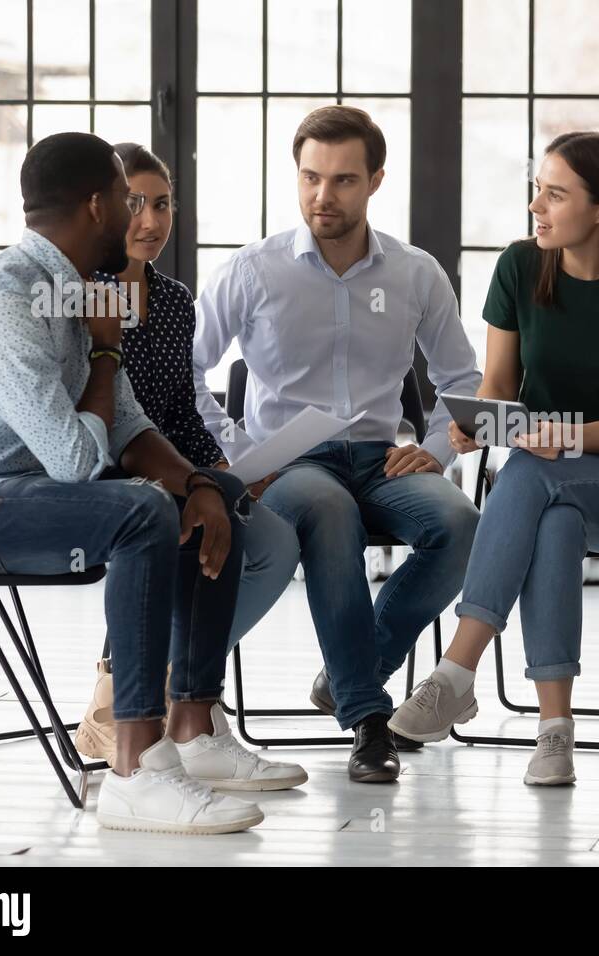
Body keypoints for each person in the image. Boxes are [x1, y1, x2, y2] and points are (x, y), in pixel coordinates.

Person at [0, 133, 301, 834]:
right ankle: (134, 769)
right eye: (126, 199)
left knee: (211, 498)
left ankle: (193, 726)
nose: (138, 216)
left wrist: (197, 482)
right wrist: (105, 349)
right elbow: (77, 462)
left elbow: (130, 428)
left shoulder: (70, 293)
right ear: (97, 205)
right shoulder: (7, 303)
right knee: (140, 514)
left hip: (9, 496)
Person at [192, 106, 482, 784]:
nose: (324, 195)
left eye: (344, 180)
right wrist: (237, 453)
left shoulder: (415, 274)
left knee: (459, 522)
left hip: (381, 459)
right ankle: (369, 721)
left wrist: (438, 446)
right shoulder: (254, 270)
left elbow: (462, 379)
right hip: (288, 466)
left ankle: (352, 674)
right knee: (329, 512)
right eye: (310, 177)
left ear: (376, 181)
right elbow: (182, 372)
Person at [389, 131, 599, 787]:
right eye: (537, 190)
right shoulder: (521, 267)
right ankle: (555, 734)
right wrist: (476, 425)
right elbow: (499, 385)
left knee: (533, 472)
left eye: (556, 194)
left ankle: (456, 671)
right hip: (543, 479)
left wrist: (561, 436)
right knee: (549, 515)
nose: (537, 207)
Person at [74, 142, 303, 767]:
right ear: (107, 210)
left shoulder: (175, 301)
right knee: (179, 513)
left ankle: (186, 701)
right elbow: (82, 416)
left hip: (168, 464)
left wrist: (219, 465)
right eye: (136, 204)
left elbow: (179, 408)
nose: (150, 220)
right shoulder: (81, 294)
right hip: (101, 467)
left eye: (164, 204)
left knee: (270, 537)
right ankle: (152, 703)